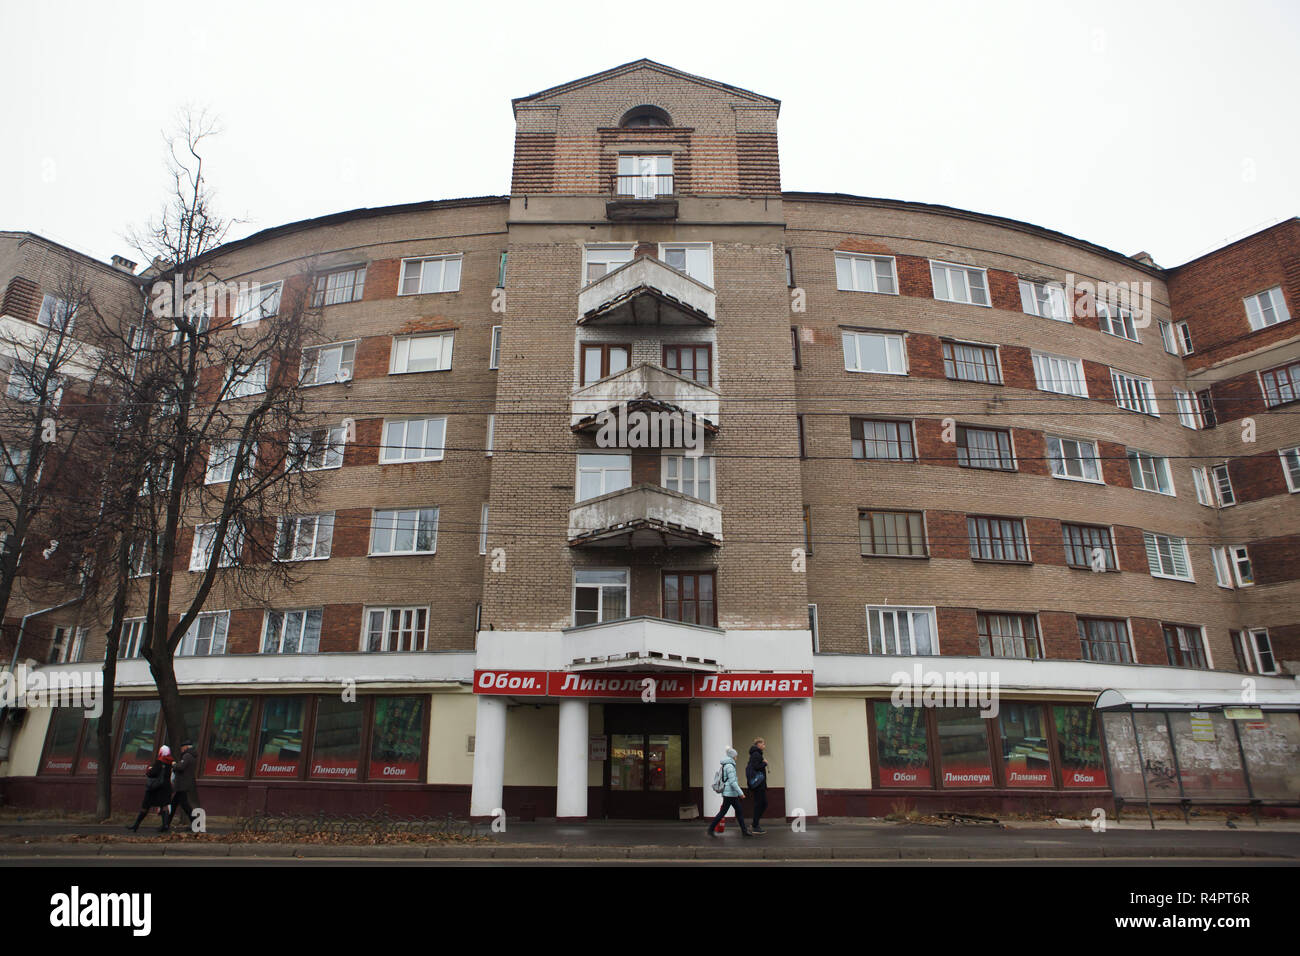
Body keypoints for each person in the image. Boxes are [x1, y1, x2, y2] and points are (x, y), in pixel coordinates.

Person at [706, 747, 752, 837]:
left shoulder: (726, 765)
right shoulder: (730, 766)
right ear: (733, 756)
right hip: (730, 793)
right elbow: (733, 782)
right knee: (725, 812)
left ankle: (744, 831)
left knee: (738, 811)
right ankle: (711, 829)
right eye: (736, 756)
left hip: (730, 793)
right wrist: (741, 793)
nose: (736, 757)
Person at [126, 746, 173, 832]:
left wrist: (149, 770)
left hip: (155, 788)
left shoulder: (159, 761)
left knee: (145, 806)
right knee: (163, 806)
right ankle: (165, 825)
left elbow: (153, 773)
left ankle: (136, 825)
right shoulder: (169, 762)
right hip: (165, 788)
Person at [161, 740, 199, 833]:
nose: (181, 750)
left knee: (185, 806)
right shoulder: (191, 756)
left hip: (182, 784)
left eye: (182, 748)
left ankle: (196, 824)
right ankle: (166, 824)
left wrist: (174, 765)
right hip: (183, 784)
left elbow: (181, 767)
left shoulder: (187, 756)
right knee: (174, 805)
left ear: (186, 747)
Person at [746, 737, 769, 834]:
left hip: (758, 784)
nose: (764, 745)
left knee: (761, 803)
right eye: (763, 744)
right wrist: (764, 763)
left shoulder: (756, 754)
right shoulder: (756, 754)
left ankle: (755, 824)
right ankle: (755, 825)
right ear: (758, 744)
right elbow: (756, 767)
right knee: (761, 803)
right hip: (758, 785)